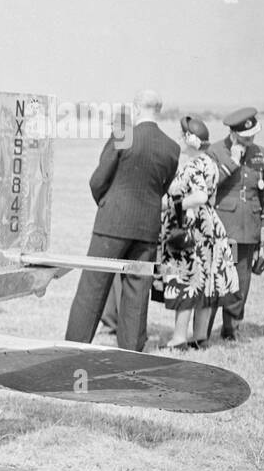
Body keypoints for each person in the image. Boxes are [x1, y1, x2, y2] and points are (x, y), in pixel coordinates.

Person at [65, 90, 180, 352]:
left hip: (112, 224)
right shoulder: (171, 147)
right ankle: (131, 354)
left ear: (137, 108)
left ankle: (72, 349)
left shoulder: (123, 134)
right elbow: (163, 187)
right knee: (138, 294)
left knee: (92, 289)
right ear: (158, 110)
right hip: (147, 228)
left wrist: (107, 205)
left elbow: (98, 180)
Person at [157, 117, 237, 350]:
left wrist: (175, 205)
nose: (180, 139)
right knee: (207, 283)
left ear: (191, 140)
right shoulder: (209, 162)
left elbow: (200, 196)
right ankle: (200, 336)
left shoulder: (193, 165)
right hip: (210, 228)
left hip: (191, 231)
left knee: (185, 281)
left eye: (183, 136)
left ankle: (179, 338)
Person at [206, 107, 264, 341]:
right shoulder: (215, 151)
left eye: (253, 136)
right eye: (245, 137)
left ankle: (231, 328)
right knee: (219, 277)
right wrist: (233, 161)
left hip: (249, 228)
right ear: (233, 133)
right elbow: (209, 185)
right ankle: (203, 331)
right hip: (226, 229)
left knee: (241, 280)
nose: (250, 141)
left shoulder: (262, 154)